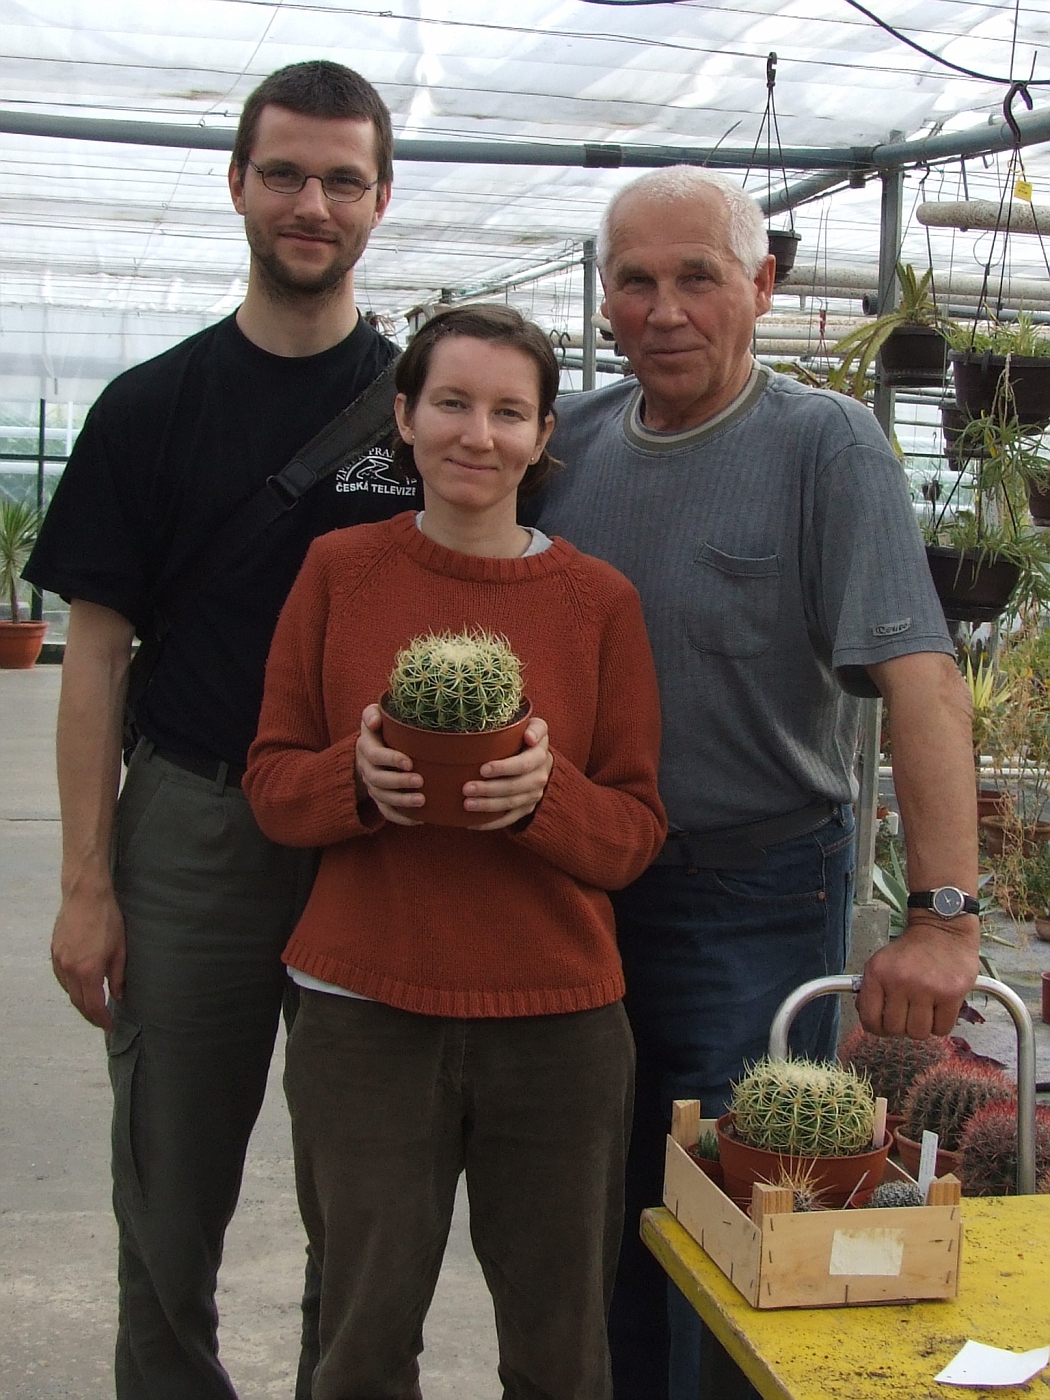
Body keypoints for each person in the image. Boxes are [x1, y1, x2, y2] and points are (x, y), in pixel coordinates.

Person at [23, 62, 549, 1400]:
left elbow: (516, 583)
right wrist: (88, 884)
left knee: (363, 1203)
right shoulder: (151, 407)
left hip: (374, 834)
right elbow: (94, 656)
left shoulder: (428, 406)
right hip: (196, 827)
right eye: (284, 174)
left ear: (380, 200)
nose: (310, 203)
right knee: (169, 1187)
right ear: (239, 185)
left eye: (341, 179)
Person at [532, 166, 981, 1400]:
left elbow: (924, 678)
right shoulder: (562, 446)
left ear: (762, 287)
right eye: (637, 280)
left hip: (754, 892)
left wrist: (945, 914)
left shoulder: (821, 446)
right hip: (577, 887)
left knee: (748, 1206)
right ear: (605, 299)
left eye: (700, 277)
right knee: (604, 1206)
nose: (666, 308)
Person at [244, 303, 668, 1400]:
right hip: (364, 1010)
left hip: (559, 1024)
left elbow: (634, 832)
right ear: (404, 416)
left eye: (508, 411)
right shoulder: (339, 570)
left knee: (561, 1339)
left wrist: (546, 795)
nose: (476, 433)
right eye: (451, 402)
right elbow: (272, 782)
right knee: (359, 1334)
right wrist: (356, 779)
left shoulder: (599, 602)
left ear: (542, 435)